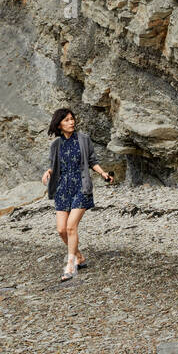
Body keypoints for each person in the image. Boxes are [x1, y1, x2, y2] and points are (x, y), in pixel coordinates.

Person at [41, 108, 113, 281]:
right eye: (66, 120)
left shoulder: (83, 139)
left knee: (71, 227)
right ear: (59, 125)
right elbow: (54, 165)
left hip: (81, 186)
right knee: (61, 230)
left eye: (72, 119)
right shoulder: (56, 145)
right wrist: (48, 172)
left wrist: (103, 173)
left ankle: (70, 265)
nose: (71, 122)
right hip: (62, 189)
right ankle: (79, 256)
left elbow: (93, 161)